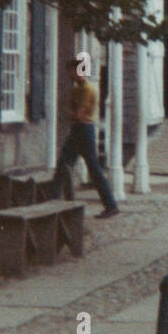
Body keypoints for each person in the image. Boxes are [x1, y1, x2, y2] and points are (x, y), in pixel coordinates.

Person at [52, 59, 119, 218]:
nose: (69, 74)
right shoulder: (75, 90)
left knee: (93, 168)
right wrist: (72, 115)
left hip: (85, 130)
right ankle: (54, 202)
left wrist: (73, 115)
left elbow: (79, 114)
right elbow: (72, 113)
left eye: (71, 71)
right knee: (63, 164)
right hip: (77, 129)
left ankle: (110, 204)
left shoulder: (88, 89)